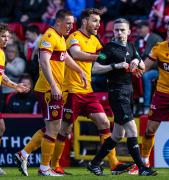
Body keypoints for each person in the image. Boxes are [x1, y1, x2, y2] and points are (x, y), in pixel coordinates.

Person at [14, 8, 133, 177]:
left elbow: (103, 55)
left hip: (86, 90)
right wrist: (100, 59)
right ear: (85, 21)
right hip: (69, 90)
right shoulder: (72, 37)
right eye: (95, 21)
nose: (98, 25)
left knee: (104, 123)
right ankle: (49, 165)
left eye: (99, 21)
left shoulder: (90, 39)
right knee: (61, 129)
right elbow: (76, 54)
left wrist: (118, 56)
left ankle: (113, 164)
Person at [14, 10, 86, 177]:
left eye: (72, 23)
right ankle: (44, 168)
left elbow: (65, 57)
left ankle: (23, 154)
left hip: (53, 89)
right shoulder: (49, 36)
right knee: (54, 129)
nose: (71, 26)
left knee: (51, 127)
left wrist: (79, 71)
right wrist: (54, 86)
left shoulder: (60, 37)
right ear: (58, 21)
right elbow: (44, 63)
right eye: (68, 23)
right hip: (48, 89)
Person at [87, 18, 157, 176]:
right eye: (116, 30)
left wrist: (135, 62)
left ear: (129, 32)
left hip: (128, 92)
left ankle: (94, 163)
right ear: (113, 32)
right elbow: (95, 69)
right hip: (117, 93)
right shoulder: (109, 49)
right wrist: (116, 66)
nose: (119, 33)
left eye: (122, 30)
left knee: (118, 135)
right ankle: (142, 168)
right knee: (132, 129)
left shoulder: (131, 46)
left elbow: (143, 66)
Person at [139, 19, 169, 175]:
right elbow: (145, 66)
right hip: (162, 93)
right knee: (150, 130)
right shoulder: (159, 48)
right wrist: (137, 66)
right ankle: (144, 162)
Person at [0, 23, 29, 176]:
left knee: (1, 128)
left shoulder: (2, 53)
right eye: (3, 36)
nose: (6, 40)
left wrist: (15, 85)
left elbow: (1, 76)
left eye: (8, 37)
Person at [134, 20, 163, 115]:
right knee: (130, 75)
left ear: (147, 28)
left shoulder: (156, 38)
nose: (139, 30)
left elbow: (159, 59)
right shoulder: (137, 40)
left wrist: (145, 67)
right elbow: (134, 55)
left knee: (146, 76)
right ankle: (135, 104)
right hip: (141, 68)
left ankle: (146, 105)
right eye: (137, 28)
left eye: (141, 27)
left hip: (157, 69)